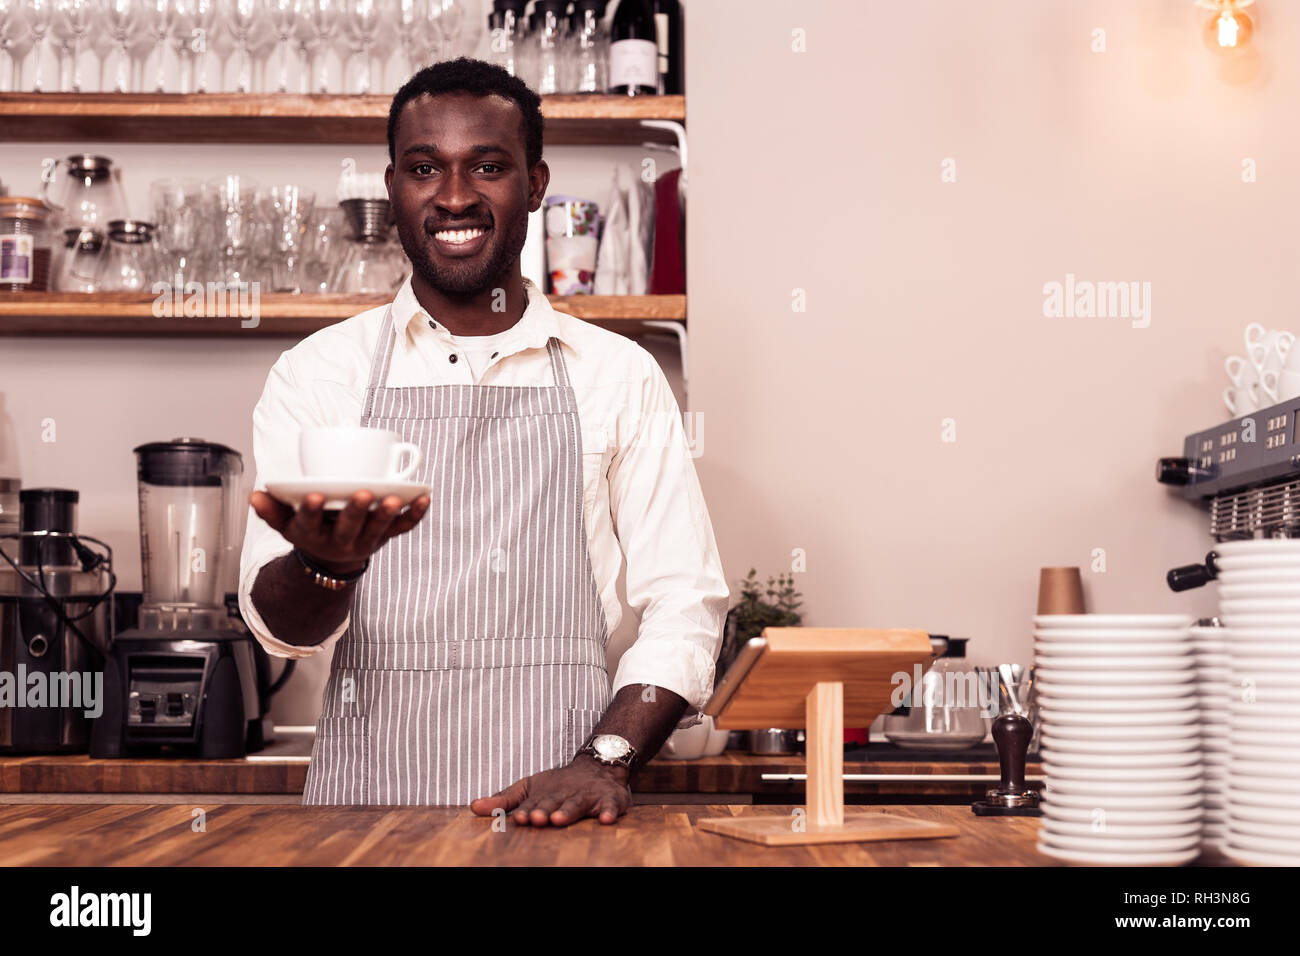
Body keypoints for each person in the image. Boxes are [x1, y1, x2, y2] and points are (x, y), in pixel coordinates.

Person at [238, 58, 729, 826]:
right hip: (370, 816)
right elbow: (279, 628)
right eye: (425, 167)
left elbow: (685, 603)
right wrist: (323, 565)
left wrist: (605, 760)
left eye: (488, 167)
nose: (455, 196)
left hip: (560, 808)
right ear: (393, 184)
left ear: (534, 184)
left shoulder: (619, 376)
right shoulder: (319, 375)